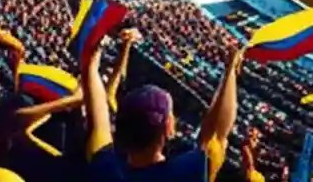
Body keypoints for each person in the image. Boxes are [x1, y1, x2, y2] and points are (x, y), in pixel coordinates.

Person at [84, 32, 244, 182]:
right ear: (168, 129)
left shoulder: (105, 167)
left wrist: (91, 62)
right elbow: (216, 134)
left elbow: (99, 121)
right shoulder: (187, 172)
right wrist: (230, 69)